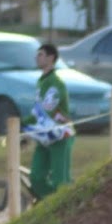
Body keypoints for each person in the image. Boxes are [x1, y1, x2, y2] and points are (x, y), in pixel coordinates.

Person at [26, 42, 75, 199]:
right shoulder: (41, 81)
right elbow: (37, 111)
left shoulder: (56, 83)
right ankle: (49, 206)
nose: (36, 57)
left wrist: (27, 127)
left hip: (60, 136)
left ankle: (61, 209)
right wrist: (19, 124)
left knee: (60, 182)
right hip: (44, 137)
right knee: (36, 177)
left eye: (40, 54)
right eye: (37, 54)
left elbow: (47, 111)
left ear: (51, 58)